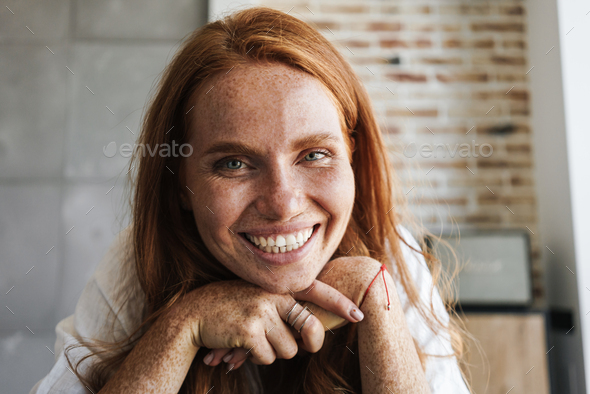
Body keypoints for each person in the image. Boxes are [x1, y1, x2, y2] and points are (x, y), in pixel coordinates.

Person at [31, 6, 472, 394]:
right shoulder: (139, 261)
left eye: (315, 155)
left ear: (352, 154)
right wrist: (184, 325)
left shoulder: (392, 256)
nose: (282, 204)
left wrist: (378, 305)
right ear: (181, 182)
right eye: (233, 164)